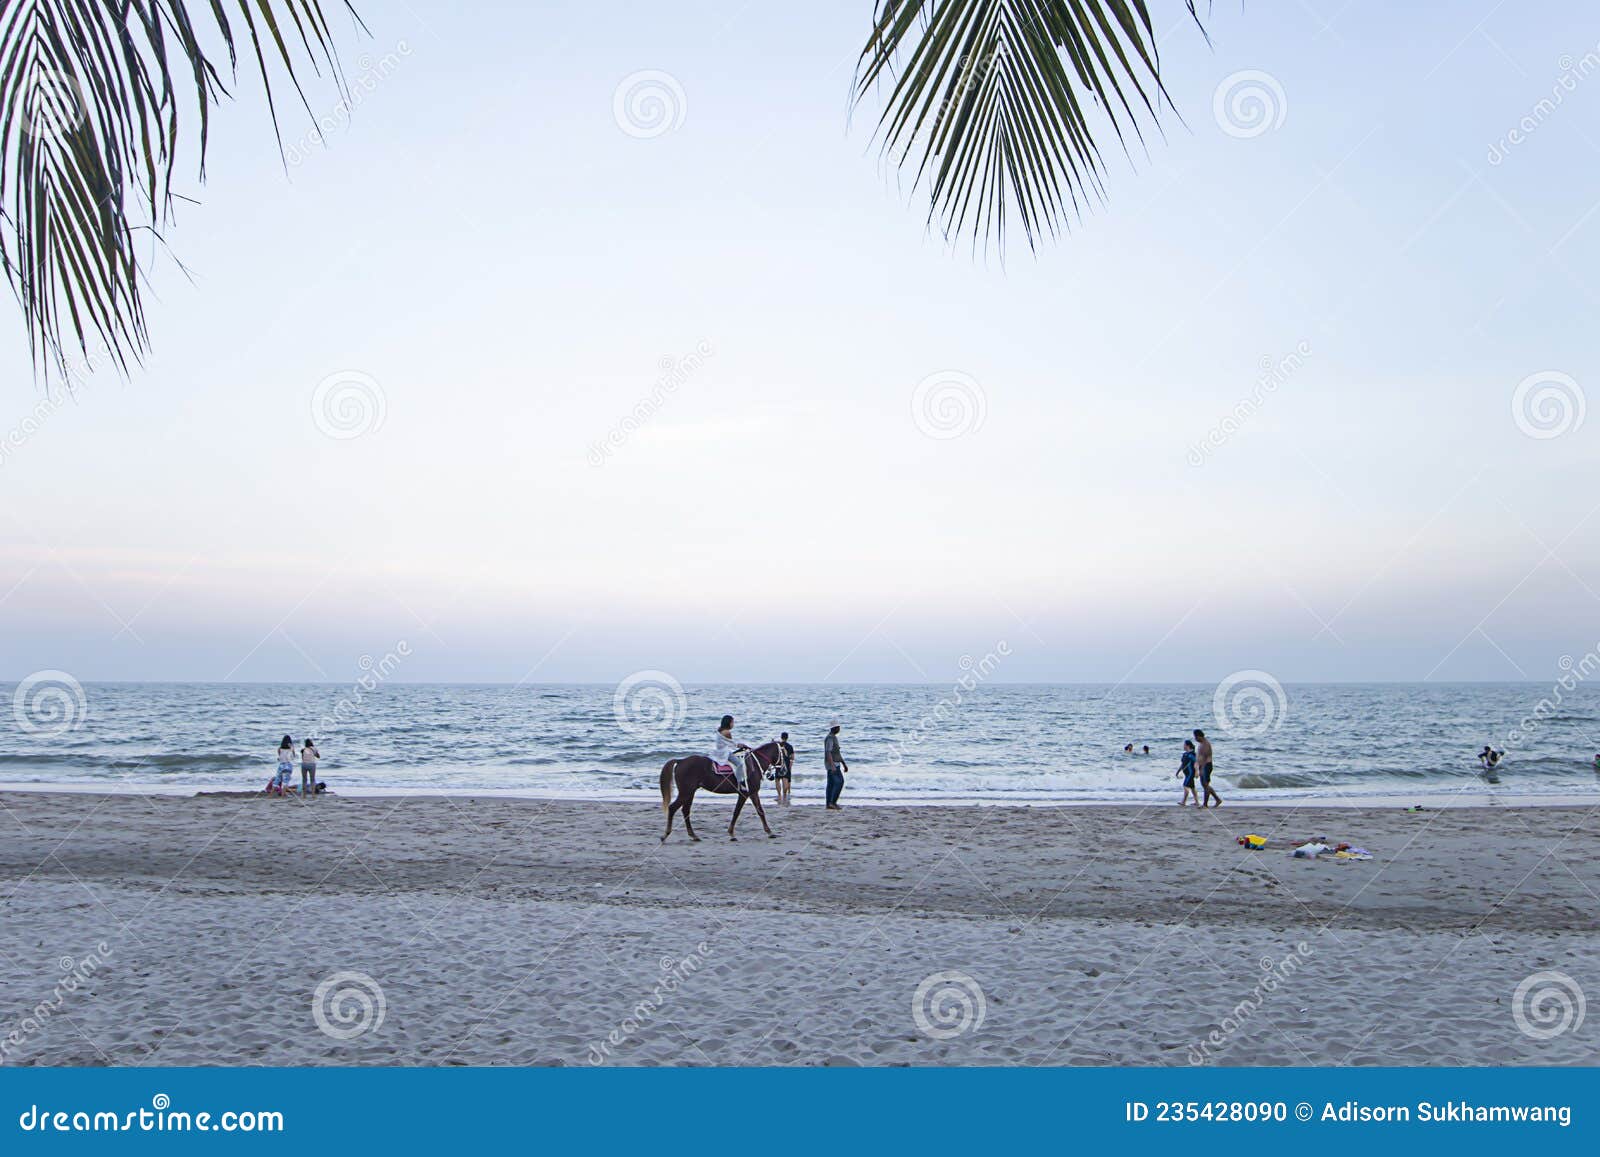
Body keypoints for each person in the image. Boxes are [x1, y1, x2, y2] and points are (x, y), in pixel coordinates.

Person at [710, 714, 752, 792]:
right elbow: (733, 745)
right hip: (724, 752)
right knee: (740, 764)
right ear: (728, 723)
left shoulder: (719, 729)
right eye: (732, 722)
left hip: (718, 751)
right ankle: (740, 782)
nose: (733, 724)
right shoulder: (727, 732)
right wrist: (743, 745)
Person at [1195, 728, 1221, 807]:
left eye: (1196, 737)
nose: (1195, 739)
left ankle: (1205, 804)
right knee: (1204, 785)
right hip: (1202, 766)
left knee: (1206, 784)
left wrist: (1202, 768)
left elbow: (1205, 757)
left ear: (1200, 736)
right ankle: (1217, 799)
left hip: (1206, 765)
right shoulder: (1201, 744)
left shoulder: (1206, 744)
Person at [824, 721, 847, 810]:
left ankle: (829, 803)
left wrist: (844, 764)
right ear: (834, 728)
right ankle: (832, 802)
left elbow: (837, 753)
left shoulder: (834, 738)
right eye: (838, 727)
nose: (839, 729)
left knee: (831, 784)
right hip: (833, 765)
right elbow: (828, 752)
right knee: (839, 782)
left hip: (835, 763)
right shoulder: (830, 738)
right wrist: (832, 765)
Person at [774, 731, 794, 804]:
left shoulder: (778, 745)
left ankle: (779, 795)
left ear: (781, 737)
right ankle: (784, 795)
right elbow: (792, 757)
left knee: (777, 780)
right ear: (787, 738)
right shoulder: (790, 746)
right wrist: (790, 765)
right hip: (786, 764)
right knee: (785, 779)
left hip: (778, 763)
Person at [1176, 739, 1198, 807]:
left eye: (1184, 745)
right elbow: (1182, 764)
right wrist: (1178, 771)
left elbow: (1196, 763)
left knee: (1185, 786)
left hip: (1190, 773)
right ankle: (1196, 802)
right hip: (1186, 773)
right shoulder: (1185, 754)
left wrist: (1197, 772)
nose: (1183, 746)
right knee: (1192, 787)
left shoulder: (1192, 754)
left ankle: (1183, 802)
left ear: (1188, 746)